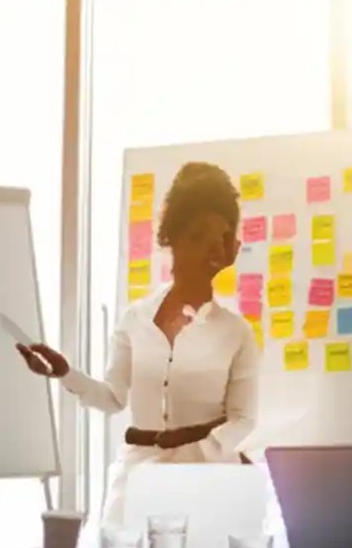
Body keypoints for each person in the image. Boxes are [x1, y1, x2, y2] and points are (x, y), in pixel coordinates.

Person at [17, 162, 259, 523]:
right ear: (171, 239)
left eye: (219, 241)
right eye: (197, 237)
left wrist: (197, 454)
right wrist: (65, 373)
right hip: (139, 480)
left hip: (207, 482)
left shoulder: (236, 332)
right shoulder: (135, 319)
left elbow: (243, 419)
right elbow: (113, 398)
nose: (208, 251)